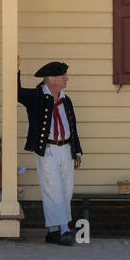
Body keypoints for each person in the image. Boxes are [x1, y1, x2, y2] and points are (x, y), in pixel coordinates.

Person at [18, 61, 82, 245]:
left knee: (66, 189)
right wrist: (16, 69)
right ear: (52, 79)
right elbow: (16, 92)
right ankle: (63, 229)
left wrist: (77, 151)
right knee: (53, 188)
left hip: (66, 148)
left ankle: (54, 230)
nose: (67, 78)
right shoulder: (36, 96)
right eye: (63, 76)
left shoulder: (66, 99)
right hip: (47, 150)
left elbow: (73, 127)